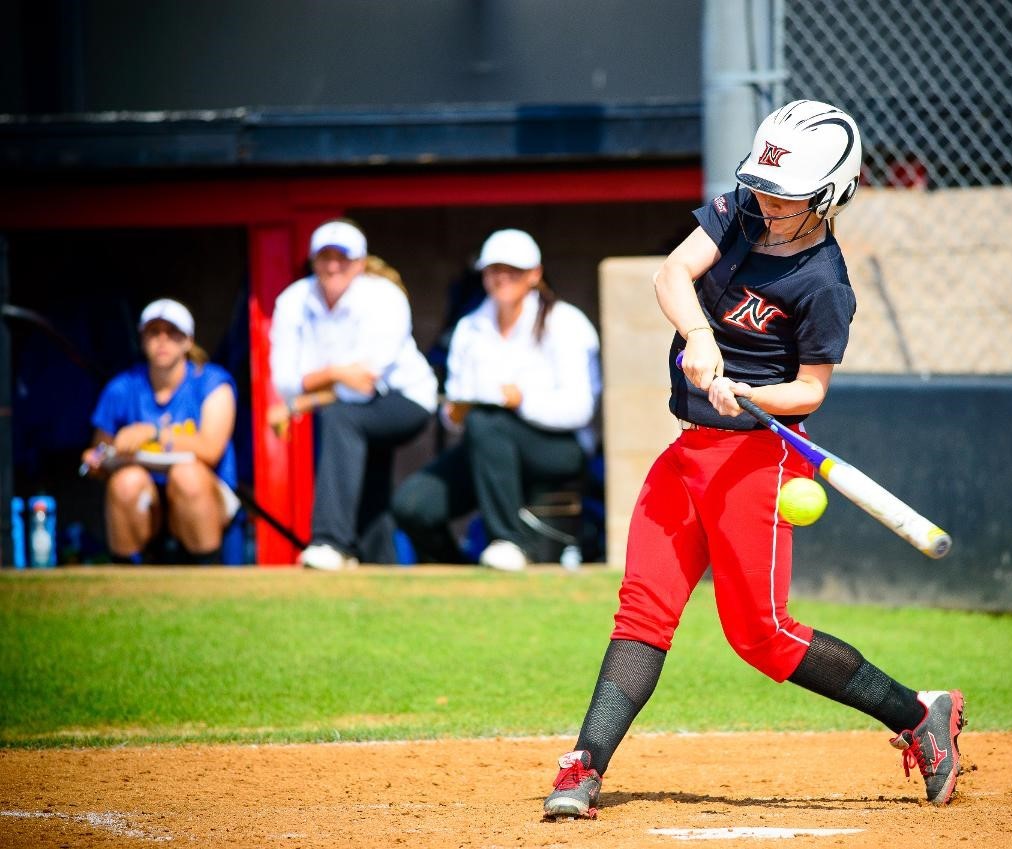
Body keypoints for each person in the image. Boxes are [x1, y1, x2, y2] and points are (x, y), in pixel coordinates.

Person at [541, 100, 964, 821]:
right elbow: (673, 273)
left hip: (757, 461)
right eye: (764, 188)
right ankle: (585, 761)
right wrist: (700, 337)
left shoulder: (824, 282)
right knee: (642, 610)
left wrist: (751, 390)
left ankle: (919, 712)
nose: (767, 202)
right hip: (687, 455)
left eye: (787, 195)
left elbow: (810, 388)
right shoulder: (740, 211)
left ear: (828, 196)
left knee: (761, 638)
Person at [391, 229, 601, 571]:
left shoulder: (566, 323)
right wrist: (453, 414)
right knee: (413, 505)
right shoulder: (469, 328)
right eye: (493, 270)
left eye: (513, 270)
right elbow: (459, 404)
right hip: (486, 442)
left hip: (559, 449)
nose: (502, 278)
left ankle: (510, 541)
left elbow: (580, 409)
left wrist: (522, 400)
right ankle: (457, 571)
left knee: (487, 422)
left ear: (535, 274)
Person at [270, 219, 438, 570]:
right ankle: (379, 564)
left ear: (360, 263)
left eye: (343, 259)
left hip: (408, 399)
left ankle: (330, 541)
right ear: (313, 261)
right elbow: (284, 381)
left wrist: (309, 394)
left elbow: (364, 382)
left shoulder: (384, 297)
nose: (333, 267)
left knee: (342, 420)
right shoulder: (293, 300)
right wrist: (334, 374)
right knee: (369, 482)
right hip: (353, 404)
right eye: (325, 257)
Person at [80, 298, 238, 564]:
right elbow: (100, 452)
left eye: (172, 333)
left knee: (187, 477)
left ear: (188, 341)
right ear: (142, 339)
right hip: (145, 502)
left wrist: (153, 433)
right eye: (154, 332)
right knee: (126, 482)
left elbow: (211, 450)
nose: (162, 340)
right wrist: (97, 459)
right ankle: (128, 581)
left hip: (204, 498)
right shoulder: (123, 386)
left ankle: (208, 575)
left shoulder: (212, 382)